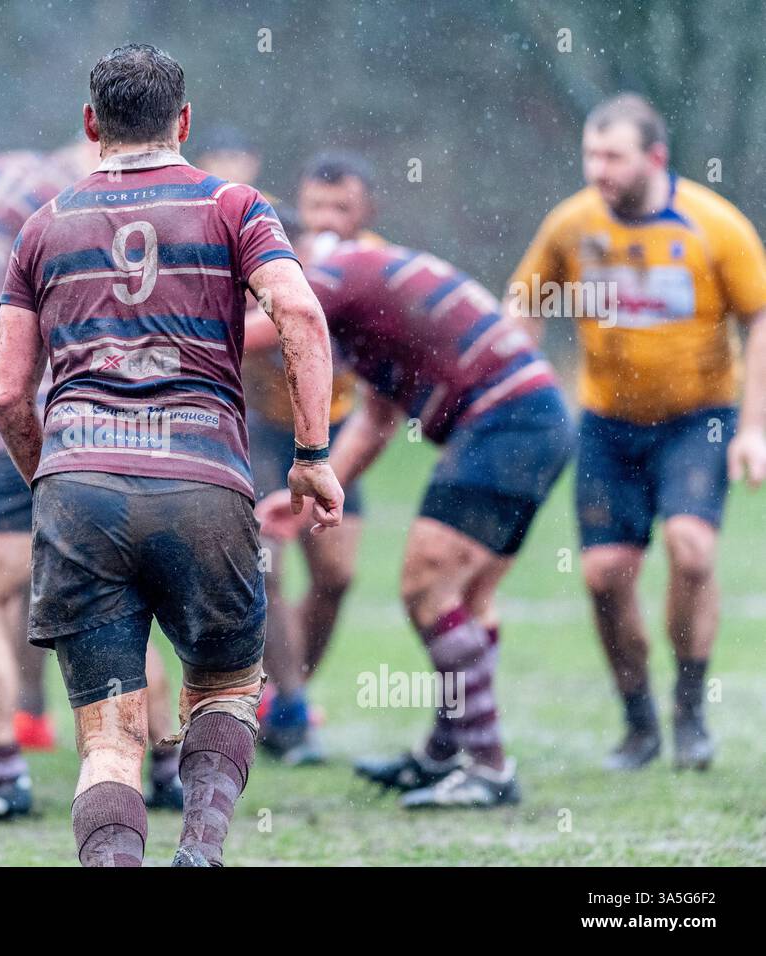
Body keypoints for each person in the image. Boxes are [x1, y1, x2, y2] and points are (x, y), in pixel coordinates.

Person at [0, 44, 341, 866]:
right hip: (204, 482)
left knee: (110, 739)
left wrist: (55, 478)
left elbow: (9, 396)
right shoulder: (234, 206)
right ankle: (204, 847)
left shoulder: (43, 226)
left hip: (80, 488)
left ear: (90, 125)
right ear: (182, 122)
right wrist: (311, 454)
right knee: (225, 687)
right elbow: (300, 314)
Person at [256, 240, 573, 808]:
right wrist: (308, 492)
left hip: (507, 421)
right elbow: (377, 419)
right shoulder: (364, 300)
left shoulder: (330, 273)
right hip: (533, 417)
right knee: (469, 600)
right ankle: (448, 754)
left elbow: (252, 333)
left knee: (427, 586)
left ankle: (489, 767)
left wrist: (167, 326)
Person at [505, 93, 766, 771]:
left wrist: (755, 427)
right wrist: (508, 383)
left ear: (656, 157)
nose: (598, 169)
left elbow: (760, 318)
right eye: (591, 154)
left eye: (613, 155)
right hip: (608, 422)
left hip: (698, 419)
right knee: (604, 573)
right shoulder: (571, 224)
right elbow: (523, 306)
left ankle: (690, 711)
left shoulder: (714, 224)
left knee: (692, 550)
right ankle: (639, 722)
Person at [243, 152, 379, 762]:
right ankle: (293, 710)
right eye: (316, 206)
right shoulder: (266, 251)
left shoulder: (375, 264)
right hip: (264, 429)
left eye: (341, 208)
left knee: (336, 576)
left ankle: (284, 697)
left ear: (364, 212)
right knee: (266, 568)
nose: (326, 219)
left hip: (337, 424)